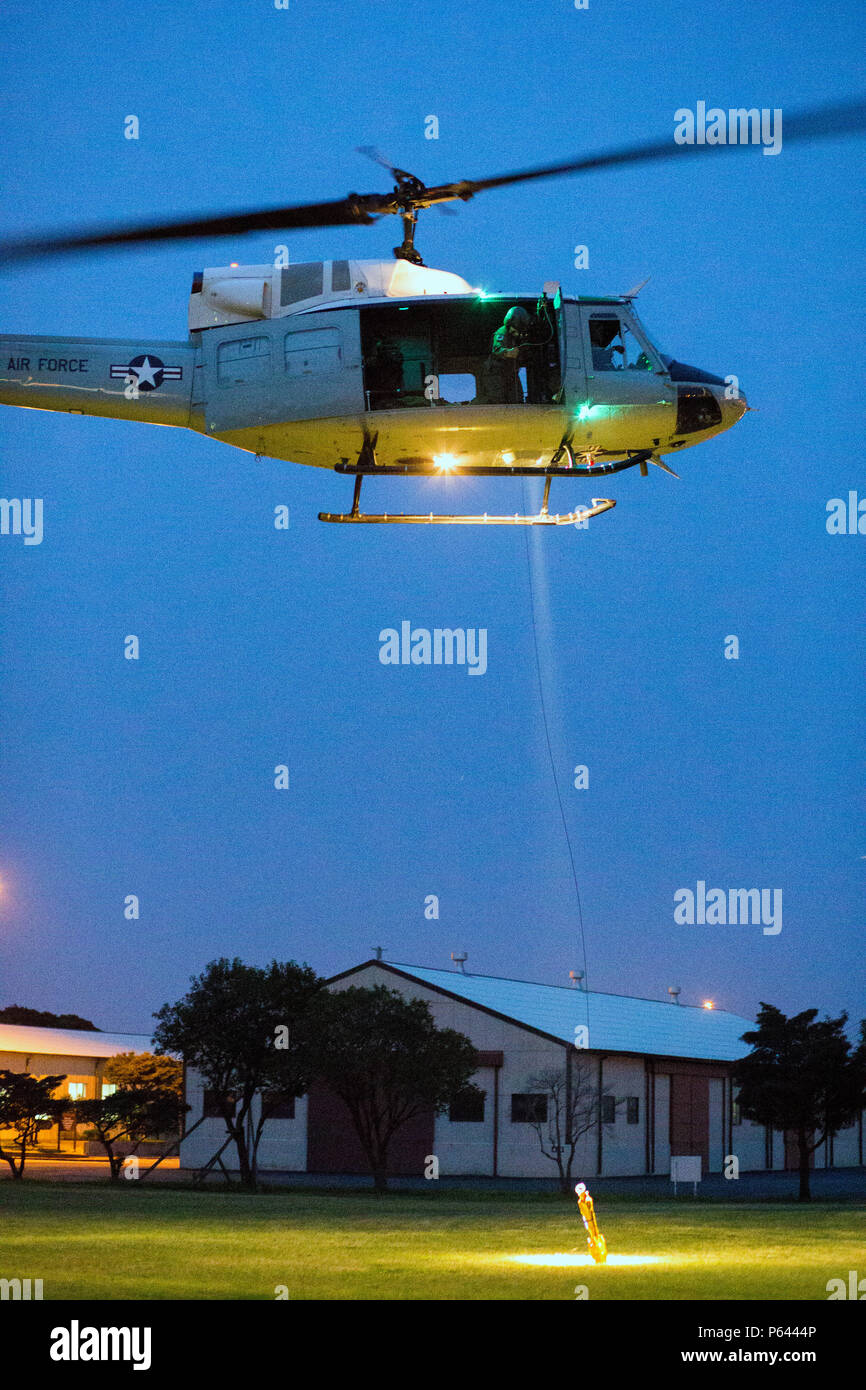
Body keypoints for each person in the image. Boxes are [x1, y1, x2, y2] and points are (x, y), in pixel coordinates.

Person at [479, 306, 534, 404]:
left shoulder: (518, 337)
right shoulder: (501, 333)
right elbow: (497, 348)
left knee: (517, 400)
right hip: (495, 374)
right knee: (498, 401)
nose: (517, 333)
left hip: (510, 373)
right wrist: (508, 352)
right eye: (515, 330)